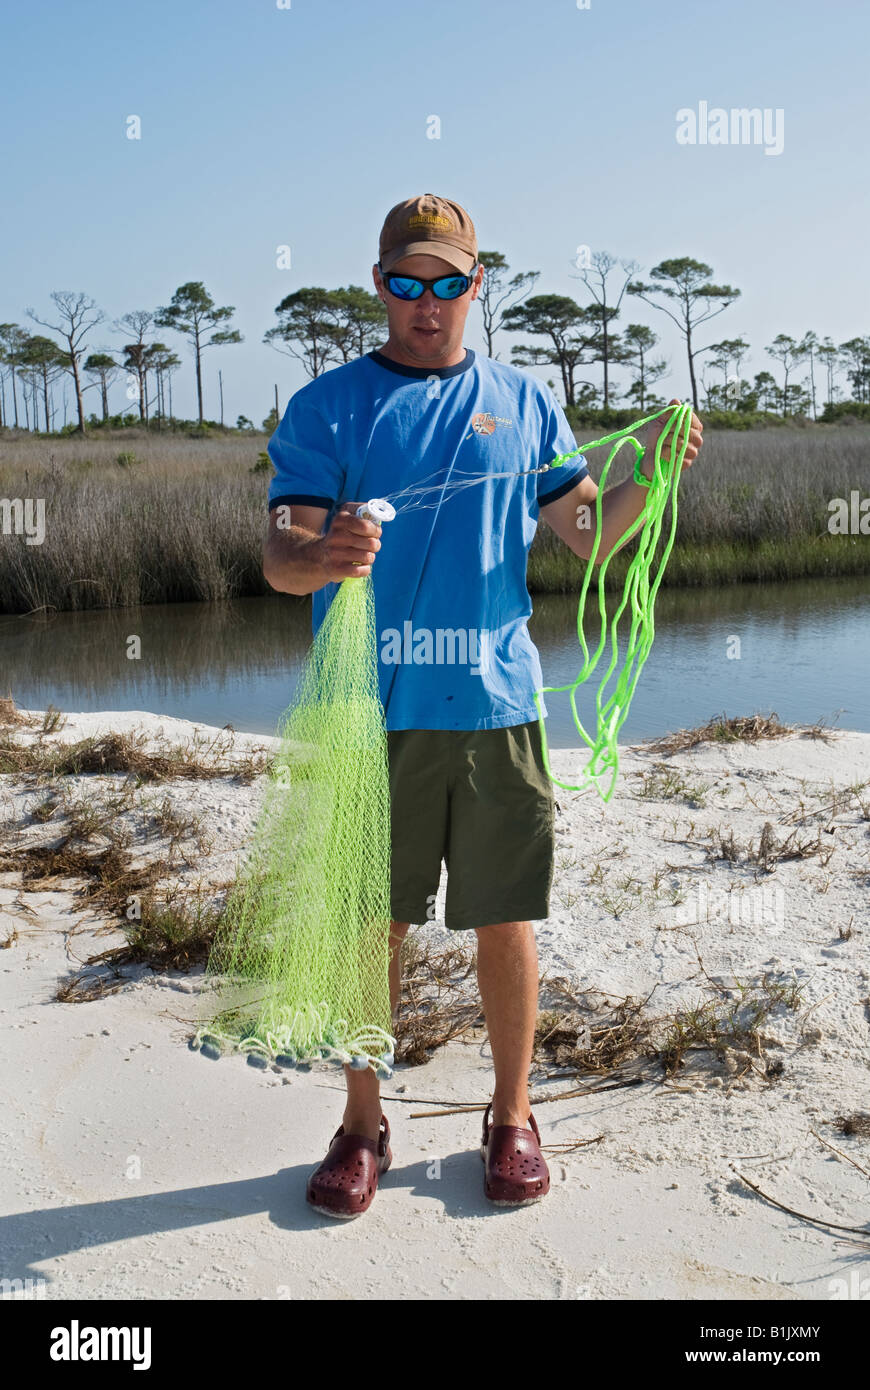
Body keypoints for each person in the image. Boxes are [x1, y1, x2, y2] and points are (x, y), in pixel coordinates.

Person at [262, 193, 704, 1217]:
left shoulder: (526, 402)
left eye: (448, 282)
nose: (428, 302)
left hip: (502, 708)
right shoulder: (328, 409)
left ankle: (511, 1117)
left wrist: (653, 480)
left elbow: (592, 539)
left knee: (506, 921)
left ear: (476, 284)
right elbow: (282, 556)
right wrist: (317, 556)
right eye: (408, 283)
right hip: (372, 713)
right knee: (370, 927)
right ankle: (361, 1122)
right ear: (381, 286)